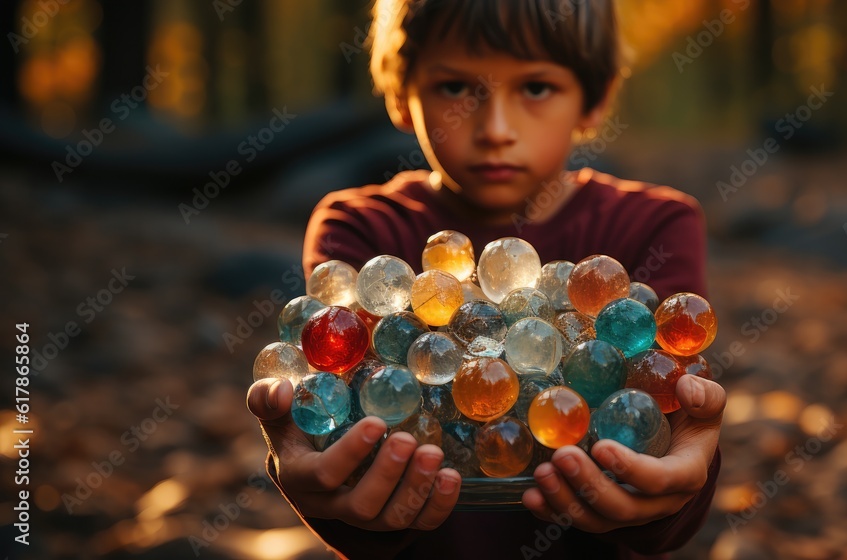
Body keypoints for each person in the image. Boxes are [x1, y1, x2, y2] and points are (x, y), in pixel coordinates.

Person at [247, 0, 727, 558]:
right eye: (455, 88)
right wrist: (337, 498)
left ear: (594, 100)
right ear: (403, 96)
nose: (495, 127)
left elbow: (669, 433)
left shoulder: (657, 225)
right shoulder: (358, 227)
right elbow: (346, 430)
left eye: (537, 88)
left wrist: (667, 495)